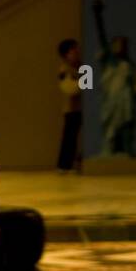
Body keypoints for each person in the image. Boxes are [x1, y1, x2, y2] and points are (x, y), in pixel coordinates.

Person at [92, 0, 136, 156]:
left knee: (126, 130)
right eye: (116, 44)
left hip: (126, 102)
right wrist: (97, 15)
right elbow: (101, 36)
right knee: (111, 132)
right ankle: (111, 152)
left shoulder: (129, 65)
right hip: (112, 102)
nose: (119, 47)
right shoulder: (111, 62)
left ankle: (127, 153)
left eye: (122, 44)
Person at [56, 38, 83, 172]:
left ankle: (77, 163)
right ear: (66, 54)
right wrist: (83, 81)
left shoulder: (82, 67)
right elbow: (70, 89)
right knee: (69, 138)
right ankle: (64, 165)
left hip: (82, 109)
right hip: (71, 110)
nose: (77, 52)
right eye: (74, 50)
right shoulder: (64, 70)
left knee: (79, 138)